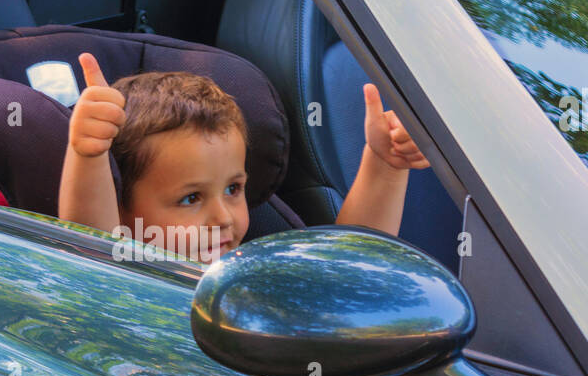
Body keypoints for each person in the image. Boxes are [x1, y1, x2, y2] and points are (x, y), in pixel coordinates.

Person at [58, 52, 429, 263]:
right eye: (191, 198)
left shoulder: (252, 272)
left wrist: (385, 164)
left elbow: (347, 271)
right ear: (121, 211)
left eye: (234, 189)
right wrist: (88, 156)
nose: (224, 218)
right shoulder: (129, 287)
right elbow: (92, 249)